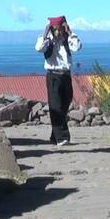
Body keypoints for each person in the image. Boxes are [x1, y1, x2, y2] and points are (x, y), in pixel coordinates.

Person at [35, 16, 82, 146]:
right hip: (53, 76)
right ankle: (62, 138)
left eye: (60, 29)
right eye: (55, 29)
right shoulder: (47, 40)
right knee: (55, 106)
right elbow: (39, 48)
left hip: (66, 75)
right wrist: (45, 33)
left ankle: (54, 136)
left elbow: (77, 48)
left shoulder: (68, 40)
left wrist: (70, 32)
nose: (58, 32)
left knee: (65, 104)